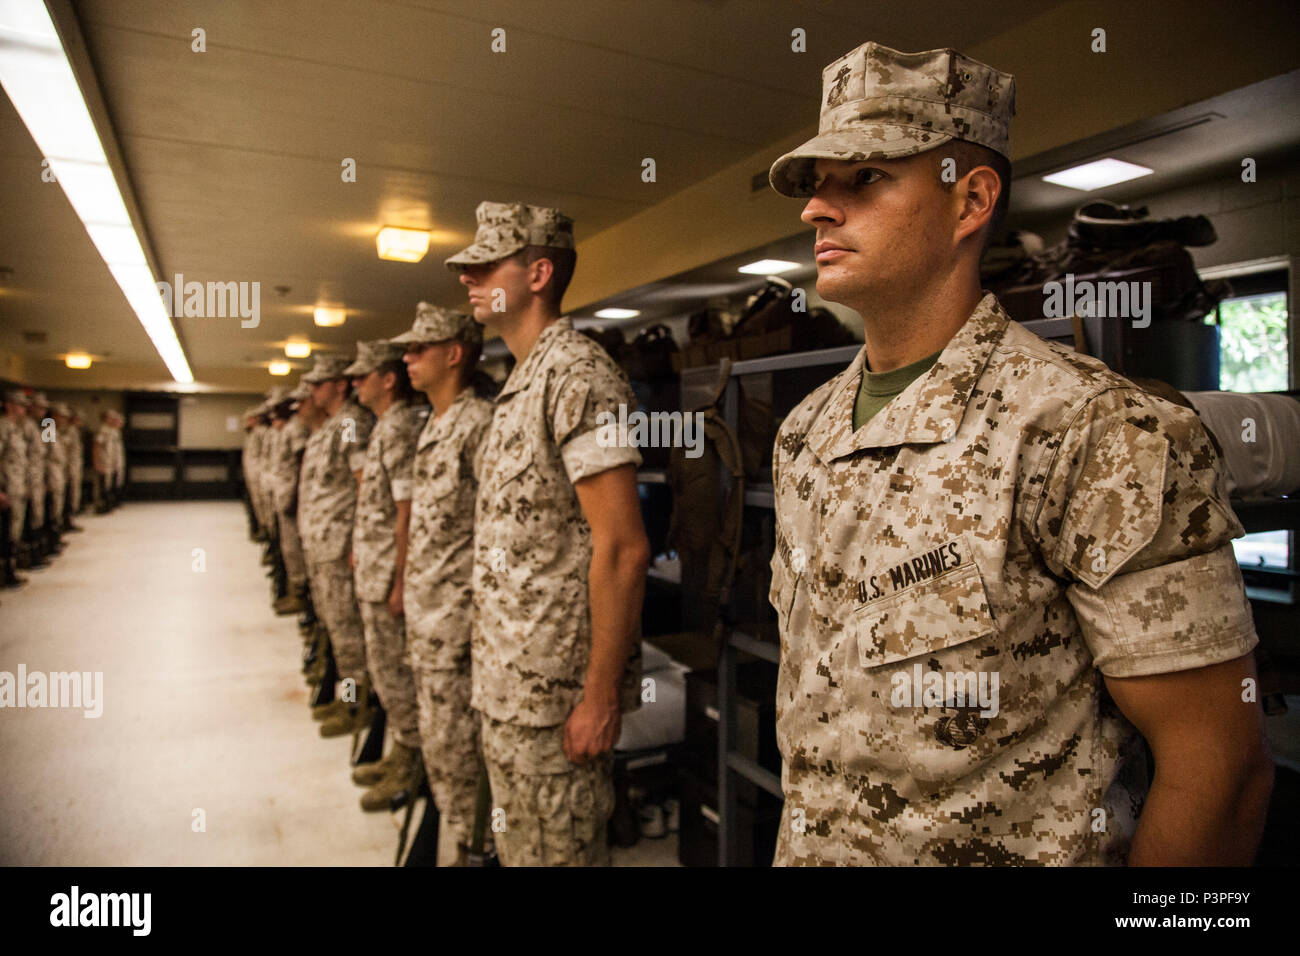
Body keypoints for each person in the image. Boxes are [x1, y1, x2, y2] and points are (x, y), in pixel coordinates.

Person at [764, 40, 1273, 866]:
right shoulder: (806, 434)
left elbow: (1219, 767)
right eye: (817, 186)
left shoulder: (1093, 430)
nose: (818, 209)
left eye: (864, 179)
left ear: (969, 202)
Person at [446, 201, 651, 865]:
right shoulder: (522, 382)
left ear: (537, 273)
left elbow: (623, 548)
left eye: (484, 265)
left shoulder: (578, 375)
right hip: (511, 690)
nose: (467, 279)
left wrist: (598, 699)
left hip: (556, 704)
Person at [393, 303, 494, 864]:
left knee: (459, 752)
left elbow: (494, 529)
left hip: (457, 627)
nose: (407, 358)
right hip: (428, 618)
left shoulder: (477, 424)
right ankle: (459, 839)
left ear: (453, 354)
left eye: (418, 349)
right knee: (440, 745)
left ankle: (473, 848)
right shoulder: (433, 422)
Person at [343, 340, 425, 811]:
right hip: (374, 568)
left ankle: (411, 762)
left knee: (396, 671)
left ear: (386, 379)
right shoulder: (385, 427)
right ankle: (402, 749)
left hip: (387, 575)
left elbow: (405, 511)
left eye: (364, 374)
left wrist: (399, 581)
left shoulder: (397, 431)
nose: (356, 383)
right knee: (385, 669)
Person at [297, 354, 375, 738]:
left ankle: (354, 707)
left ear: (340, 385)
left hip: (340, 545)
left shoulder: (349, 424)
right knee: (337, 629)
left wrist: (357, 543)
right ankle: (346, 698)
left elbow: (364, 483)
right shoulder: (331, 426)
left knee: (348, 636)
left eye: (319, 383)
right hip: (323, 544)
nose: (312, 391)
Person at [1, 390, 28, 587]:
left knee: (20, 524)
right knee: (8, 530)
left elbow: (46, 449)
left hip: (22, 481)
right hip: (8, 484)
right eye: (21, 405)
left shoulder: (34, 425)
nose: (24, 409)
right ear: (9, 405)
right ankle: (6, 572)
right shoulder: (5, 427)